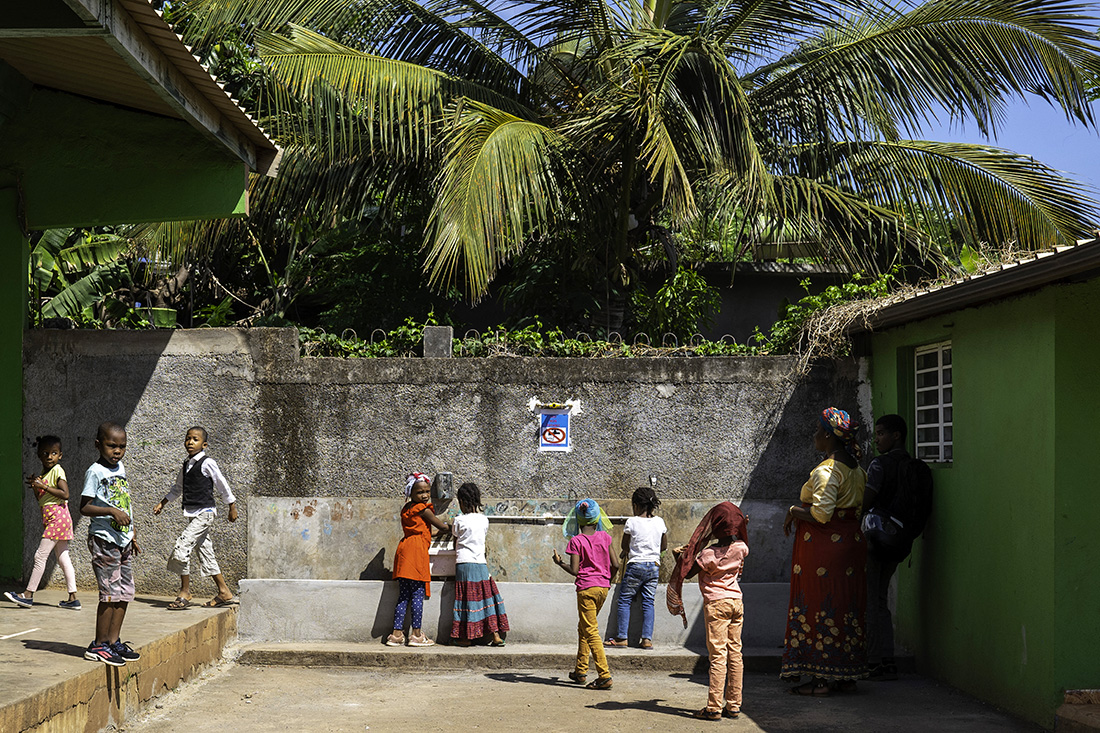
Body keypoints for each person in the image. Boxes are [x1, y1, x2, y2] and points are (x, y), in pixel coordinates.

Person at [781, 407, 868, 695]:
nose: (815, 436)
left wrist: (794, 510)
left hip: (824, 551)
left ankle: (820, 679)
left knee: (820, 603)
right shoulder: (856, 470)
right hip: (850, 546)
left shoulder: (827, 471)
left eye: (819, 431)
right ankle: (845, 676)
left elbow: (821, 514)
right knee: (846, 606)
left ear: (829, 436)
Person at [861, 414, 931, 681]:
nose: (876, 438)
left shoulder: (880, 465)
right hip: (900, 542)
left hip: (876, 539)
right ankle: (887, 659)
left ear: (896, 435)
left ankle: (873, 659)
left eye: (880, 434)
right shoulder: (913, 466)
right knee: (881, 598)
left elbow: (865, 502)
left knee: (871, 599)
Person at [667, 501, 749, 721]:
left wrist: (680, 556)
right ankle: (733, 705)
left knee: (717, 656)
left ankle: (713, 707)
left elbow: (689, 571)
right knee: (735, 653)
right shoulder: (742, 548)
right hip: (736, 601)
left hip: (716, 605)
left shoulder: (708, 554)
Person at [152, 426, 239, 610]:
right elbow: (177, 488)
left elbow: (221, 484)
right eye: (188, 439)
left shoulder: (208, 463)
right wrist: (163, 503)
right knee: (206, 552)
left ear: (204, 444)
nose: (190, 442)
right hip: (192, 514)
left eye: (195, 439)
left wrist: (231, 505)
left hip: (205, 513)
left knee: (182, 546)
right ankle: (224, 591)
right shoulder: (186, 464)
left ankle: (185, 591)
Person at [80, 422, 141, 667]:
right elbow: (84, 507)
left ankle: (113, 641)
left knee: (125, 592)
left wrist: (132, 532)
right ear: (98, 445)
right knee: (109, 595)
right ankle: (98, 645)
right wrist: (110, 512)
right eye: (111, 445)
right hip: (105, 540)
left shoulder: (121, 468)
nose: (117, 451)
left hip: (123, 539)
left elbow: (124, 501)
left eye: (122, 446)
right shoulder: (94, 472)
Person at [4, 436, 80, 610]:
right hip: (56, 519)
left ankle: (28, 595)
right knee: (63, 558)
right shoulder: (44, 475)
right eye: (45, 453)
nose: (49, 456)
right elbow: (41, 499)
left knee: (40, 556)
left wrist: (44, 486)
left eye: (54, 453)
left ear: (60, 455)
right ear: (39, 455)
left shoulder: (58, 470)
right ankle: (73, 598)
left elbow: (65, 494)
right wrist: (36, 488)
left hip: (57, 519)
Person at [552, 498, 619, 690]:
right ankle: (580, 670)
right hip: (603, 589)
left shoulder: (576, 541)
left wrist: (559, 563)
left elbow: (575, 570)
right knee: (584, 627)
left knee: (590, 631)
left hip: (586, 589)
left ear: (578, 520)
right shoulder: (605, 538)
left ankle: (604, 675)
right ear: (597, 517)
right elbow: (615, 564)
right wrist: (607, 581)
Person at [386, 472, 451, 647]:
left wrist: (441, 531)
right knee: (417, 595)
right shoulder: (423, 509)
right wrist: (452, 527)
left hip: (405, 550)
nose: (424, 495)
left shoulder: (407, 509)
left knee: (403, 596)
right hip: (415, 554)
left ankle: (396, 635)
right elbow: (440, 526)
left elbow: (425, 531)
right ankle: (416, 635)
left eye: (427, 492)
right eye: (420, 492)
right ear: (411, 494)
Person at [605, 486, 666, 649]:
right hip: (654, 566)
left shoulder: (632, 522)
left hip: (635, 565)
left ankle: (622, 638)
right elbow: (663, 545)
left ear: (636, 505)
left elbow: (625, 545)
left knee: (624, 600)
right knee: (648, 602)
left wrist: (628, 551)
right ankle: (646, 639)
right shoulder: (659, 522)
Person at [449, 482, 509, 647]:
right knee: (486, 599)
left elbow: (455, 541)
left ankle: (466, 637)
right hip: (480, 563)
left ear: (461, 501)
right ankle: (495, 635)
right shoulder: (484, 519)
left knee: (465, 600)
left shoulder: (458, 520)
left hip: (463, 563)